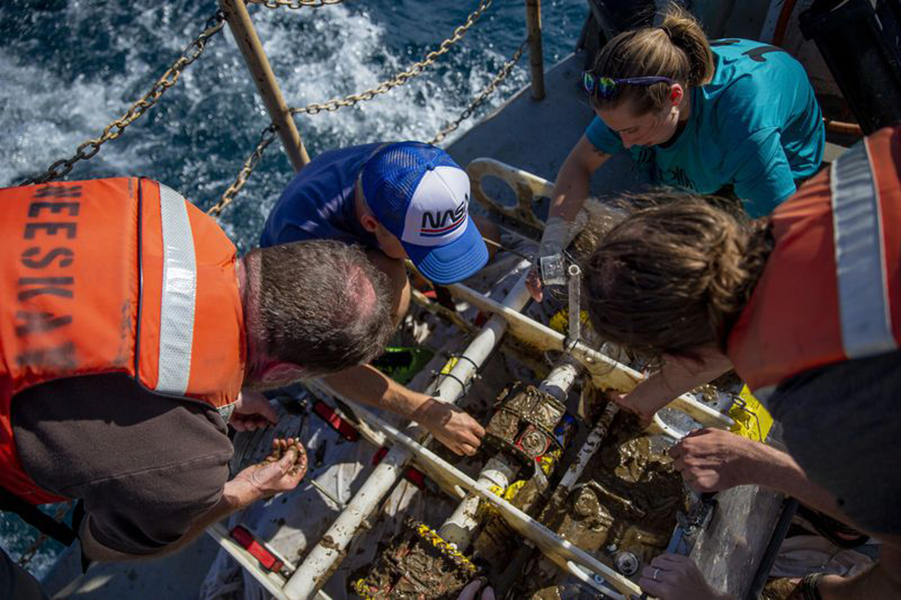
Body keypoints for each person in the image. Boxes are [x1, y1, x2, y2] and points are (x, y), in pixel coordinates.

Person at [0, 178, 395, 595]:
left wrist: (214, 394)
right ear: (282, 372)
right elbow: (99, 543)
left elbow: (117, 309)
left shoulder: (168, 207)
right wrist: (244, 489)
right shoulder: (186, 464)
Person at [584, 125, 901, 599]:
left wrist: (760, 463)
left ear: (680, 354)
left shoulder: (821, 406)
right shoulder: (844, 182)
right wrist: (647, 396)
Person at [528, 2, 825, 302]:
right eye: (617, 130)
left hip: (785, 156)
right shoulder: (630, 98)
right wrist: (551, 248)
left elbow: (784, 236)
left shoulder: (744, 132)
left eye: (631, 130)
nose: (624, 144)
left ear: (674, 96)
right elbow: (579, 163)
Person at [262, 141, 488, 456]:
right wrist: (422, 410)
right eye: (419, 247)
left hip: (353, 241)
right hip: (302, 278)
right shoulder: (302, 240)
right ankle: (369, 352)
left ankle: (380, 339)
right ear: (371, 226)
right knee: (393, 283)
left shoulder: (410, 165)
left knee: (395, 272)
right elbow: (329, 367)